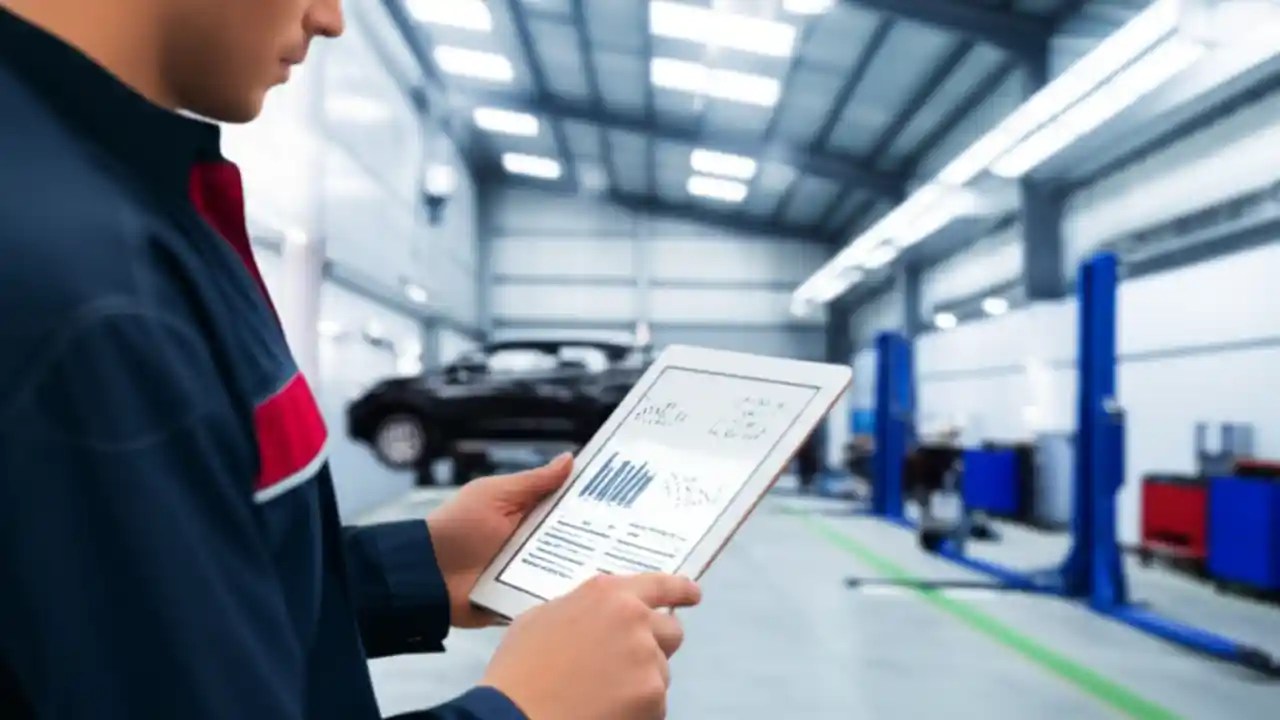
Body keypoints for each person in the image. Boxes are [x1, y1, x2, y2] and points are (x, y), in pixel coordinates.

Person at [0, 1, 702, 718]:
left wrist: (419, 568)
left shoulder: (119, 202)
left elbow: (156, 620)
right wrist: (526, 709)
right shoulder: (81, 286)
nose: (331, 19)